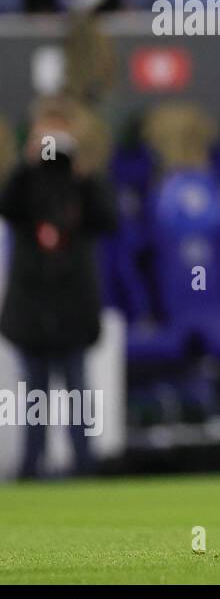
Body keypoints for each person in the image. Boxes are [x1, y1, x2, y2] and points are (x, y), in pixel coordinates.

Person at [0, 97, 116, 478]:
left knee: (78, 393)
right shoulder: (26, 183)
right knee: (35, 396)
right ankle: (31, 467)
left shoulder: (81, 184)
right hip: (32, 308)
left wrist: (82, 170)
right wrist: (28, 163)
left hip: (72, 307)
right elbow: (8, 206)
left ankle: (85, 467)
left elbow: (107, 219)